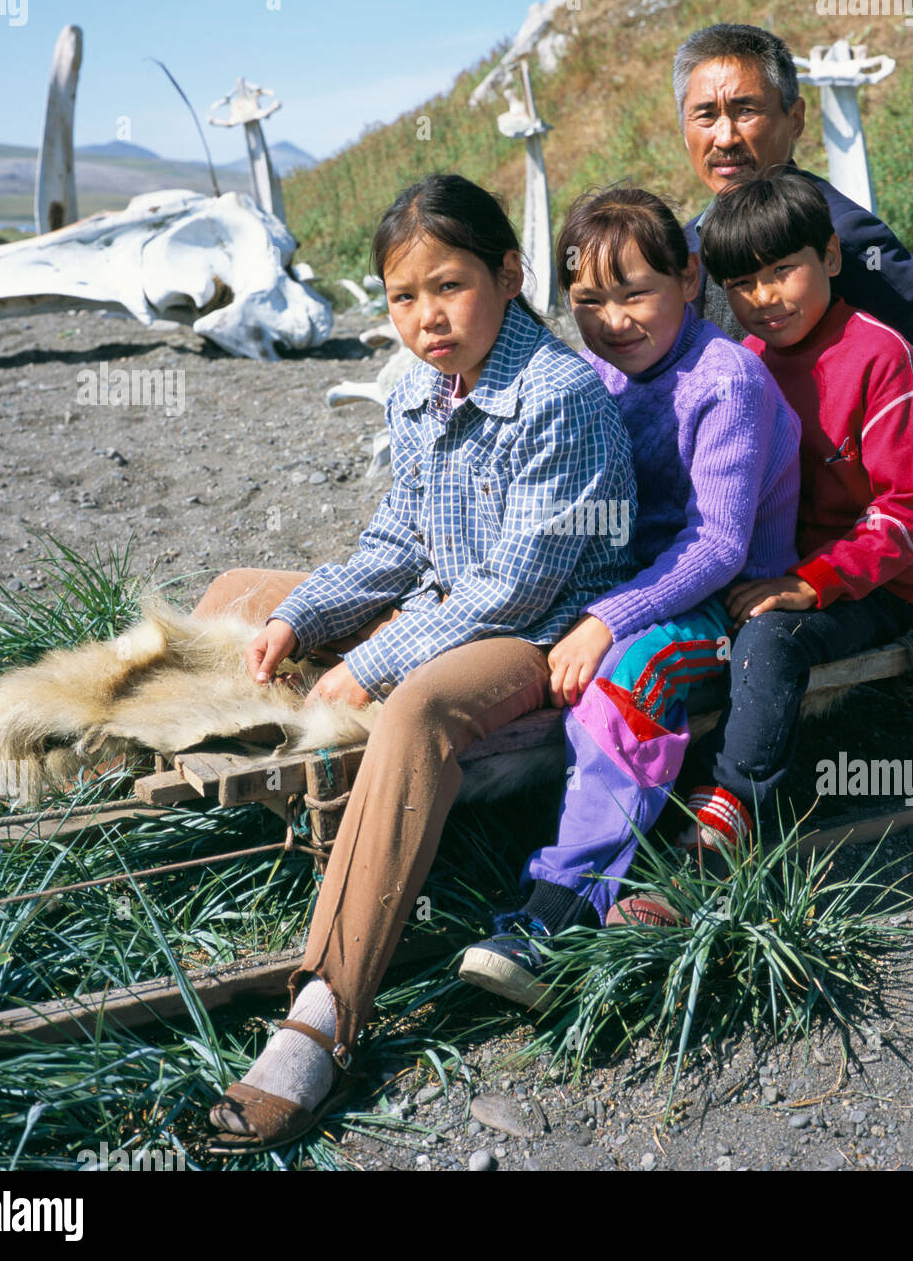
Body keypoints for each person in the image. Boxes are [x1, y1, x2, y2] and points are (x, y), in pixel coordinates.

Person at [196, 173, 636, 1153]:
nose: (426, 316)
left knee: (414, 709)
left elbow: (514, 587)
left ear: (509, 274)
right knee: (239, 594)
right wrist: (304, 617)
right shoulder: (419, 390)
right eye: (403, 296)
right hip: (446, 607)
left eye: (448, 285)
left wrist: (375, 658)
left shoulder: (557, 395)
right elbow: (394, 542)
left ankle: (325, 1010)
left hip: (542, 638)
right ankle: (231, 779)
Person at [456, 185, 800, 1006]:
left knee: (633, 679)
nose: (613, 320)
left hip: (718, 598)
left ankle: (560, 908)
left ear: (688, 280)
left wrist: (607, 620)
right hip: (617, 577)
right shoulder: (597, 379)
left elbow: (717, 543)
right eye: (588, 302)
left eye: (635, 293)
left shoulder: (727, 381)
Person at [623, 167, 913, 907]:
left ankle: (725, 820)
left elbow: (909, 516)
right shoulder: (749, 366)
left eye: (782, 271)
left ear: (831, 257)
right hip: (768, 567)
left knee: (769, 642)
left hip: (869, 584)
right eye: (742, 283)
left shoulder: (881, 358)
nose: (764, 299)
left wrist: (811, 584)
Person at [672, 21, 913, 627]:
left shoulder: (851, 246)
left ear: (796, 120)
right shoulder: (690, 244)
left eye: (747, 111)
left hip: (850, 558)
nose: (725, 136)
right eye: (705, 115)